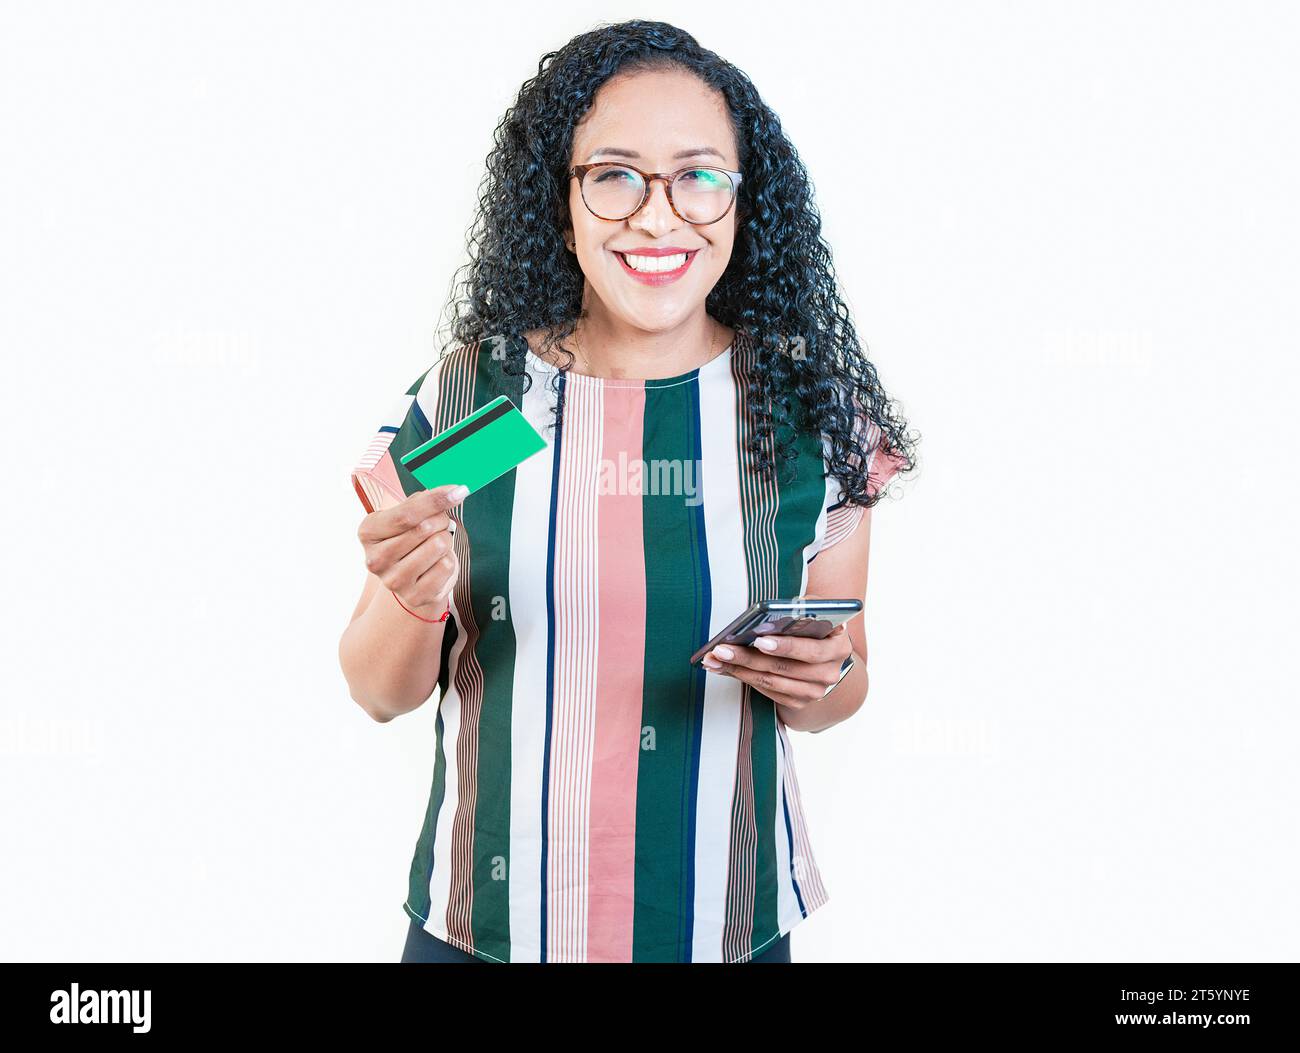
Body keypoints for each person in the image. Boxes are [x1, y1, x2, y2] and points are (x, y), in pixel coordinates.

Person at [338, 19, 917, 964]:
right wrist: (412, 599)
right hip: (487, 930)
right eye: (614, 175)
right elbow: (376, 690)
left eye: (699, 176)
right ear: (559, 203)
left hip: (723, 926)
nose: (658, 217)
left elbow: (840, 691)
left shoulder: (806, 413)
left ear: (743, 199)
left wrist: (826, 677)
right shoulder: (489, 408)